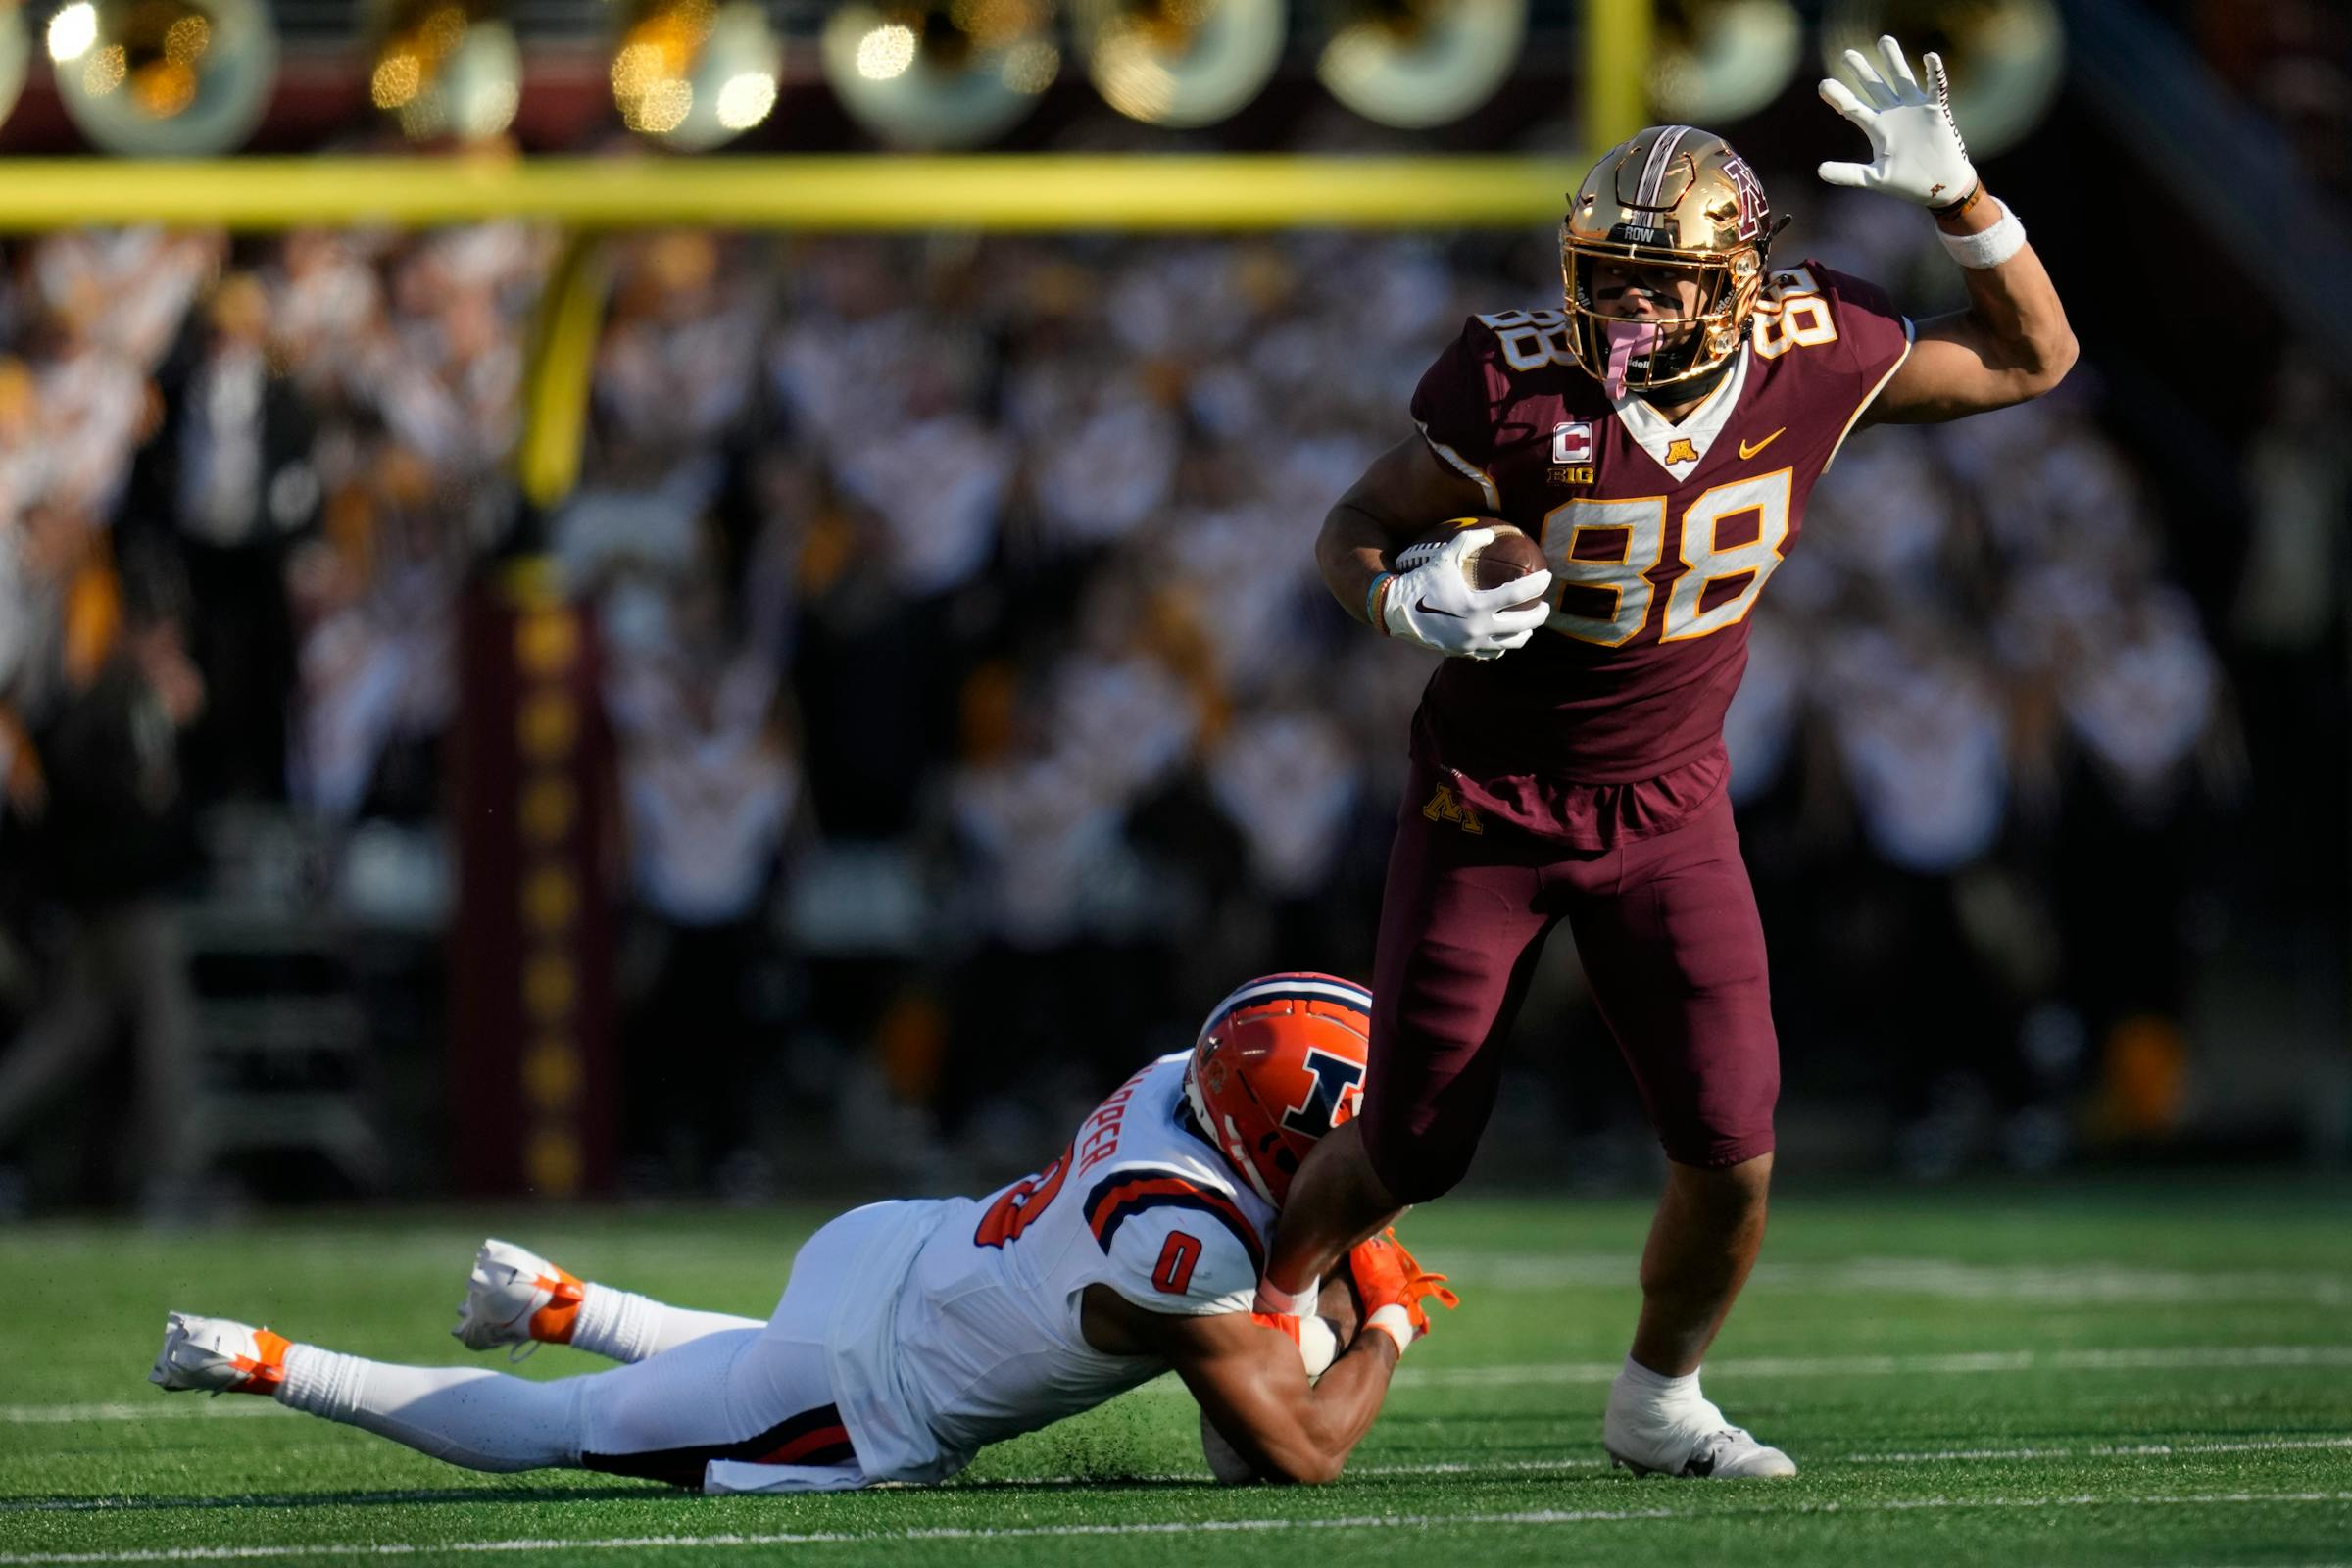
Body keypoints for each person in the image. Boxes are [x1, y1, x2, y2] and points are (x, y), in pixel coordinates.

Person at [1255, 38, 2078, 1480]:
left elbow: (2033, 355)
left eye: (1662, 282)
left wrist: (1962, 199)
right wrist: (1398, 600)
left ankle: (1660, 1400)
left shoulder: (1816, 356)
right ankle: (1268, 1312)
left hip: (1673, 805)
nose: (1624, 306)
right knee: (1418, 1144)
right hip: (1487, 805)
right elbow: (1353, 524)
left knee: (1731, 1146)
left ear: (1743, 285)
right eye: (1604, 272)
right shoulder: (1509, 388)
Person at [148, 972, 1457, 1491]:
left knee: (732, 1369)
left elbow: (1265, 1291)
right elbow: (1289, 1454)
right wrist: (1385, 1311)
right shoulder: (1179, 1237)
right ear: (1275, 1137)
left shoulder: (1192, 1078)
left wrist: (1322, 1252)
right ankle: (269, 1362)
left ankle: (563, 1305)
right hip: (868, 1390)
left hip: (892, 1252)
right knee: (565, 1437)